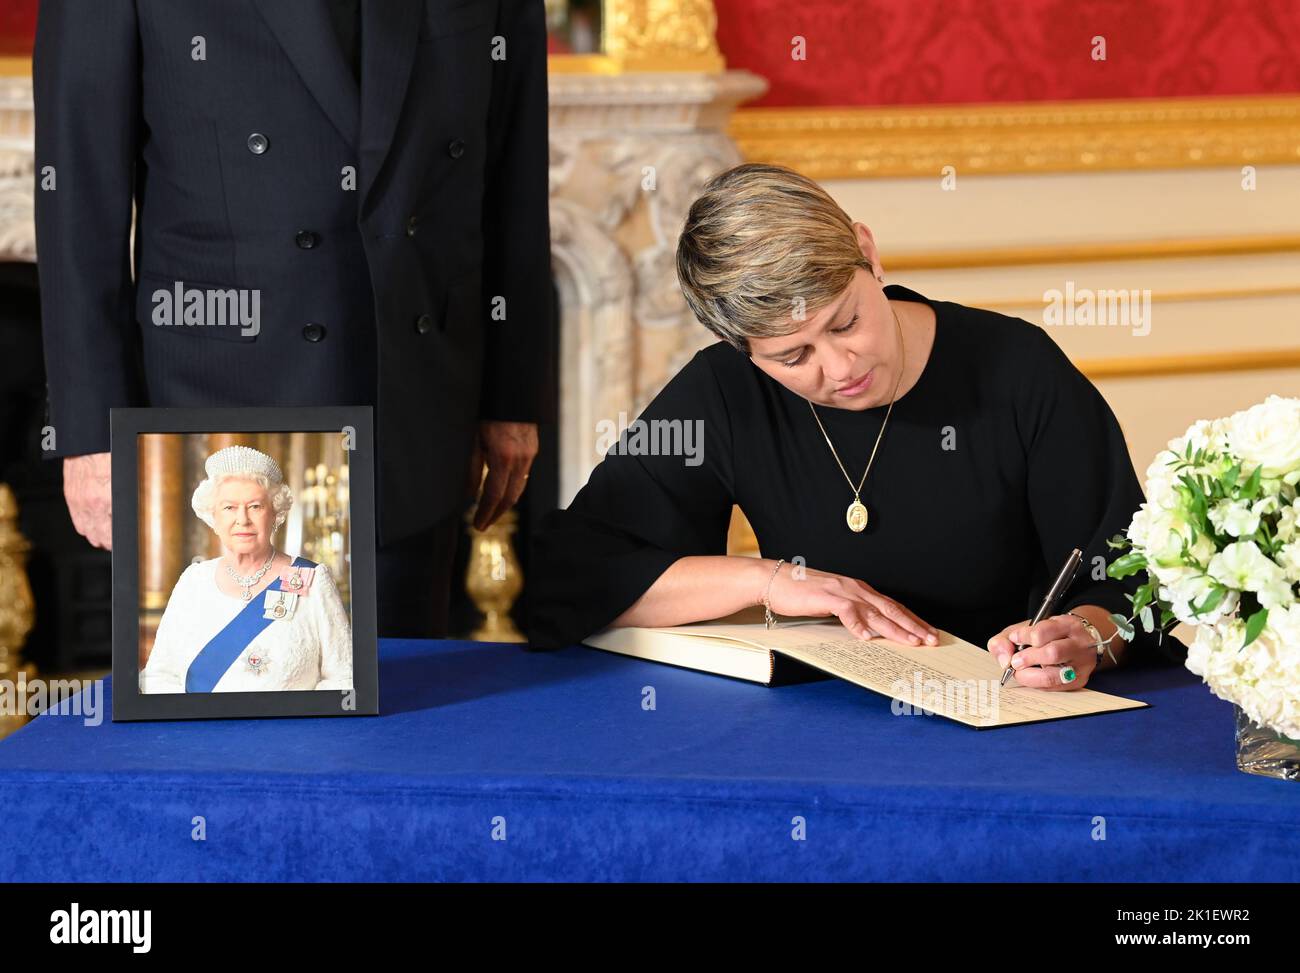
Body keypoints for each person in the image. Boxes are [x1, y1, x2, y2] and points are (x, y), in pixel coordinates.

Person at [526, 163, 1185, 690]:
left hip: (1015, 716)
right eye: (793, 356)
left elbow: (1133, 581)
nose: (841, 367)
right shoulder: (725, 391)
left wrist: (1086, 635)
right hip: (820, 724)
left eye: (845, 322)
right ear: (744, 351)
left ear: (869, 255)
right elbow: (573, 569)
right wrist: (771, 580)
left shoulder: (1017, 368)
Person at [34, 0, 552, 637]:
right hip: (210, 421)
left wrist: (511, 396)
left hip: (412, 416)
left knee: (408, 710)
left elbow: (515, 183)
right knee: (228, 715)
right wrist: (89, 437)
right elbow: (79, 200)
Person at [141, 446, 353, 693]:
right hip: (203, 730)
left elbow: (343, 679)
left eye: (255, 506)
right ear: (213, 517)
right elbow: (158, 676)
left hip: (289, 729)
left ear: (275, 514)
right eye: (229, 508)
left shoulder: (312, 579)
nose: (242, 519)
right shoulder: (193, 581)